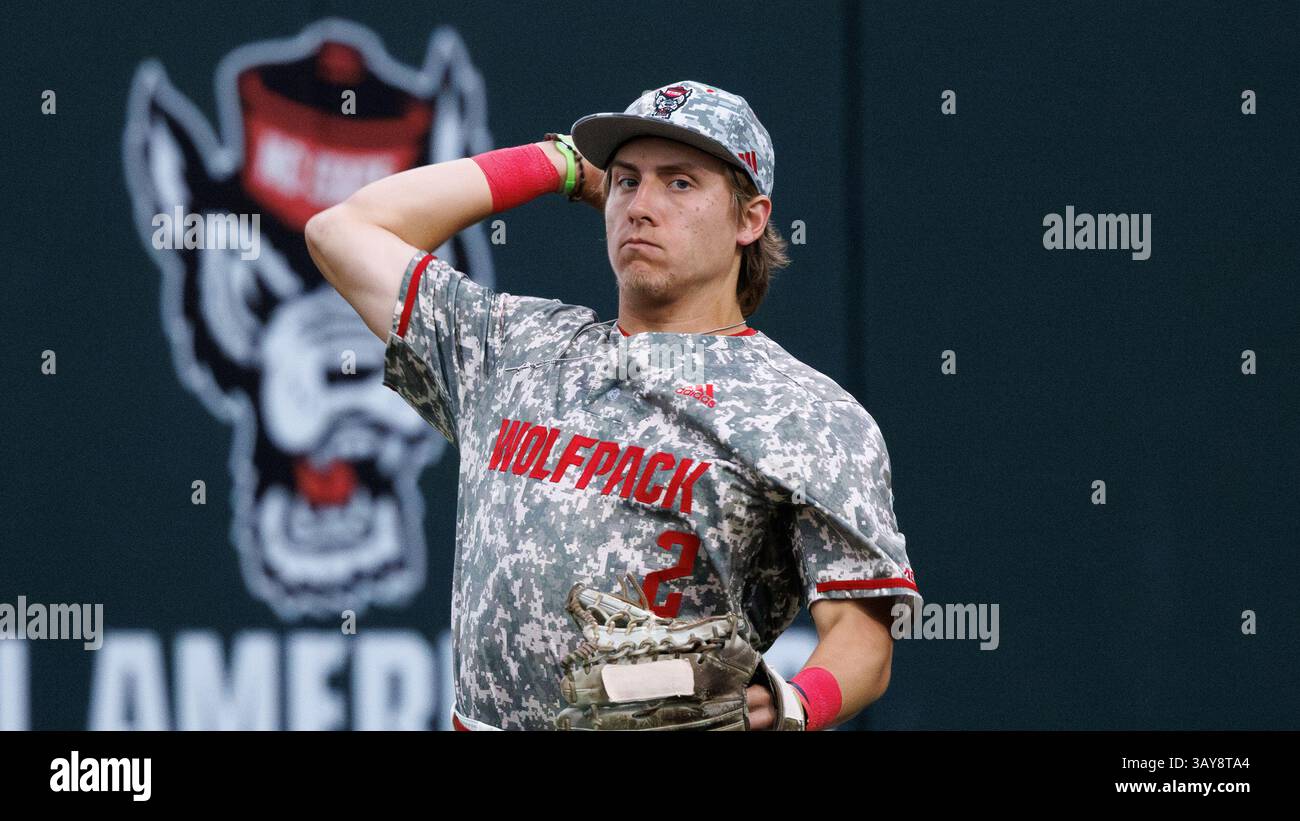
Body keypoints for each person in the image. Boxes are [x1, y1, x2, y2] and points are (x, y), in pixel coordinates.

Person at [305, 80, 922, 730]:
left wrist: (796, 703)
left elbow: (863, 633)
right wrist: (558, 163)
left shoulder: (806, 413)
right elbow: (342, 230)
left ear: (750, 218)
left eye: (680, 183)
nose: (641, 206)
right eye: (626, 181)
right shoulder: (514, 347)